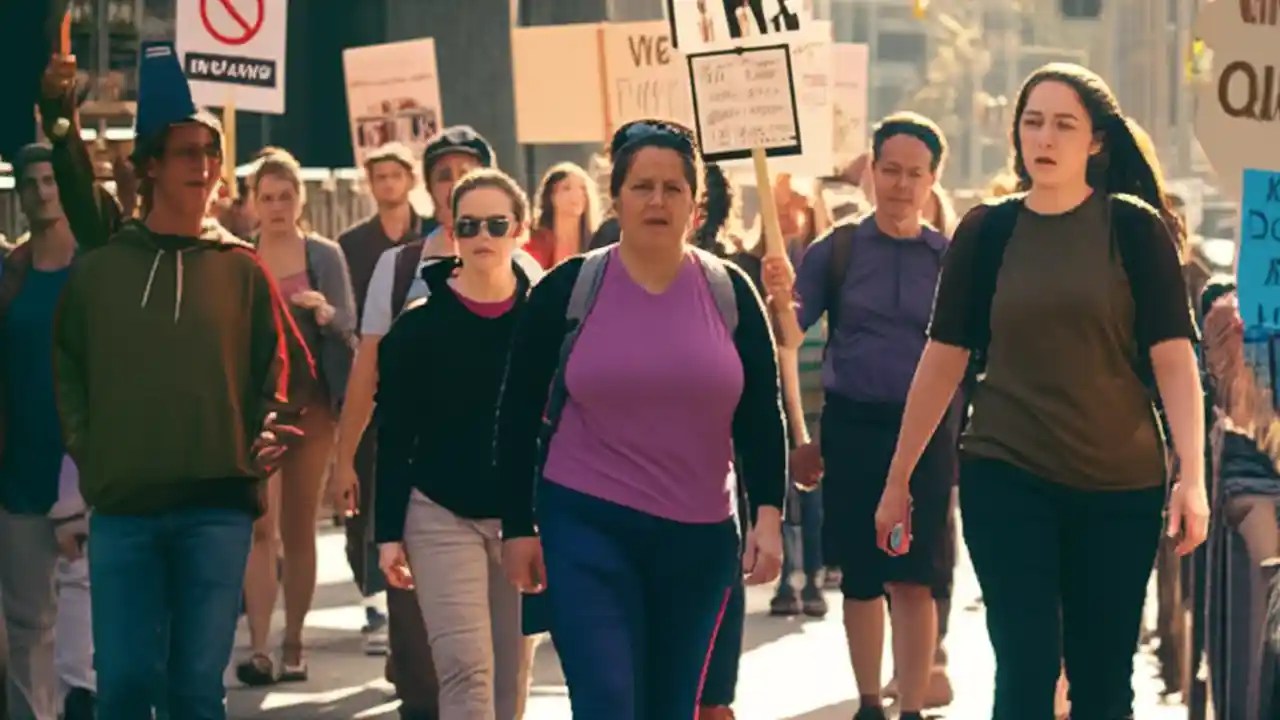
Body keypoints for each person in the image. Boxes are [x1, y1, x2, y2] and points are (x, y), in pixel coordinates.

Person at [877, 63, 1208, 718]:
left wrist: (1191, 476)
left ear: (1096, 142)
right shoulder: (988, 230)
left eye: (1063, 124)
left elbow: (1173, 357)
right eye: (1033, 122)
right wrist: (899, 478)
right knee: (1025, 667)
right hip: (1008, 470)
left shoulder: (1134, 229)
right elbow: (944, 358)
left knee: (1103, 679)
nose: (1045, 138)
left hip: (1119, 484)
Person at [49, 44, 311, 718]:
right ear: (150, 167)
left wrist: (268, 439)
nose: (203, 166)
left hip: (215, 509)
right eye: (187, 152)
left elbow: (281, 374)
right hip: (126, 508)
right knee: (128, 684)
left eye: (211, 153)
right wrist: (91, 451)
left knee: (197, 690)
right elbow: (68, 366)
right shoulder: (107, 263)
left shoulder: (242, 269)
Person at [496, 118, 785, 718]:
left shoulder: (731, 291)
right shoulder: (568, 289)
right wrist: (517, 525)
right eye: (642, 186)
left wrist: (769, 518)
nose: (657, 200)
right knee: (607, 701)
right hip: (586, 524)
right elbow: (519, 410)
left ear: (695, 202)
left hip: (699, 537)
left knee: (670, 708)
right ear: (617, 196)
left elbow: (761, 412)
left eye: (673, 188)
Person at [333, 127, 541, 720]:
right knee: (461, 675)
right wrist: (380, 516)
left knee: (508, 682)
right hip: (436, 508)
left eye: (497, 224)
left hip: (519, 517)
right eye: (468, 222)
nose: (482, 234)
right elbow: (387, 409)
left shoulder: (543, 304)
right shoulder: (411, 299)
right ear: (448, 220)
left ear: (518, 228)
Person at [764, 112, 957, 720]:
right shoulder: (837, 249)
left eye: (914, 174)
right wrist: (778, 294)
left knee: (917, 574)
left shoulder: (950, 259)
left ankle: (911, 704)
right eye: (890, 170)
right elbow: (793, 334)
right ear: (871, 171)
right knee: (863, 574)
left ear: (932, 180)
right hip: (854, 426)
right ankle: (870, 700)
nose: (901, 184)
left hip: (927, 432)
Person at [236, 150, 357, 686]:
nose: (278, 206)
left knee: (298, 526)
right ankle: (259, 647)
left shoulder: (323, 255)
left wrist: (324, 312)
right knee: (261, 525)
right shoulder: (240, 256)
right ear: (252, 204)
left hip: (311, 405)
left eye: (286, 196)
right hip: (258, 406)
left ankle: (295, 643)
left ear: (300, 201)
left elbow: (349, 326)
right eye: (268, 197)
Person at [0, 144, 95, 720]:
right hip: (21, 469)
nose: (42, 192)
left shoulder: (94, 269)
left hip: (92, 471)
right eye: (30, 183)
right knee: (28, 626)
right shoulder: (10, 273)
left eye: (51, 180)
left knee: (95, 630)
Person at [334, 142, 424, 660]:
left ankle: (404, 599)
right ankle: (371, 594)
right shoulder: (352, 244)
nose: (387, 184)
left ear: (409, 179)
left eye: (395, 175)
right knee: (361, 490)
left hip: (420, 385)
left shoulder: (434, 236)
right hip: (369, 379)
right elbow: (352, 320)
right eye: (379, 176)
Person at [524, 162, 600, 269]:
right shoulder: (534, 242)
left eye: (582, 188)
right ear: (551, 196)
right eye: (566, 188)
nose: (576, 194)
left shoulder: (599, 242)